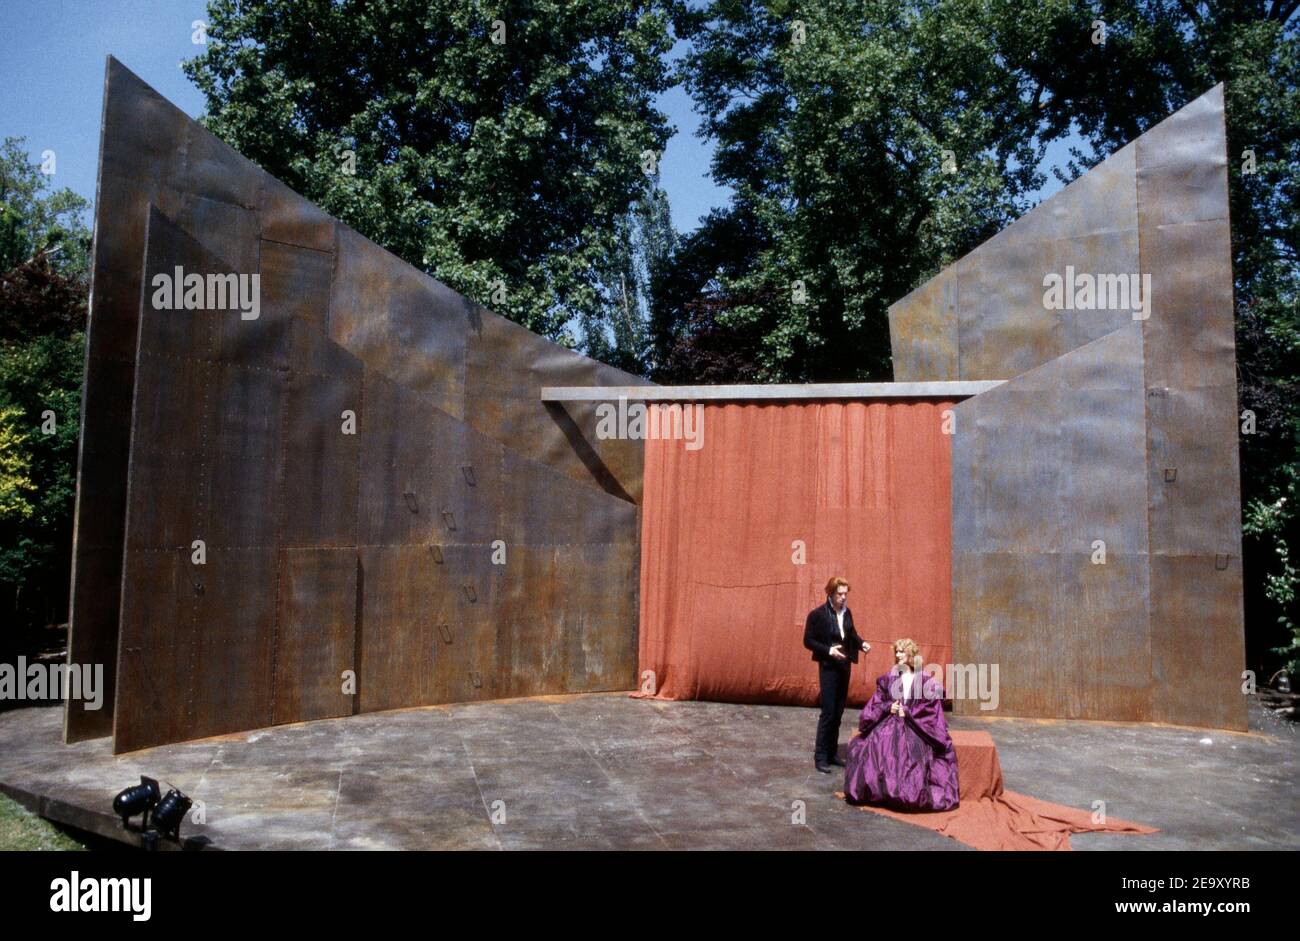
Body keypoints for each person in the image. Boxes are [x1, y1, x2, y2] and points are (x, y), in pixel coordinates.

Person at [843, 638, 959, 811]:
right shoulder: (889, 678)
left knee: (909, 753)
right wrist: (888, 707)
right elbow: (876, 703)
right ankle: (878, 791)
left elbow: (931, 709)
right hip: (890, 721)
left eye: (902, 651)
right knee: (875, 744)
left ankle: (900, 792)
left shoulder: (925, 681)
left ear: (911, 654)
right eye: (896, 652)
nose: (898, 655)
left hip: (915, 727)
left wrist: (909, 713)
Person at [803, 576, 870, 773]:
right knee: (829, 712)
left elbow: (851, 634)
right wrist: (828, 650)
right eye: (839, 594)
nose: (843, 597)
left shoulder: (847, 613)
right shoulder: (817, 615)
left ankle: (832, 753)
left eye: (845, 594)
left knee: (839, 712)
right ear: (830, 594)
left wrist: (861, 643)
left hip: (844, 666)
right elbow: (808, 641)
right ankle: (821, 756)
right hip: (829, 668)